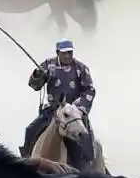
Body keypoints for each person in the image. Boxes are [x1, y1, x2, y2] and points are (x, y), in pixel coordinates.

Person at [20, 39, 97, 169]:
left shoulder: (81, 68)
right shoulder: (48, 65)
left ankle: (83, 169)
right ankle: (26, 162)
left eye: (70, 52)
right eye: (64, 53)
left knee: (82, 138)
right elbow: (34, 86)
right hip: (53, 110)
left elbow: (89, 90)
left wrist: (78, 109)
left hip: (74, 113)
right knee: (30, 129)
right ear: (57, 53)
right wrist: (37, 75)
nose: (68, 56)